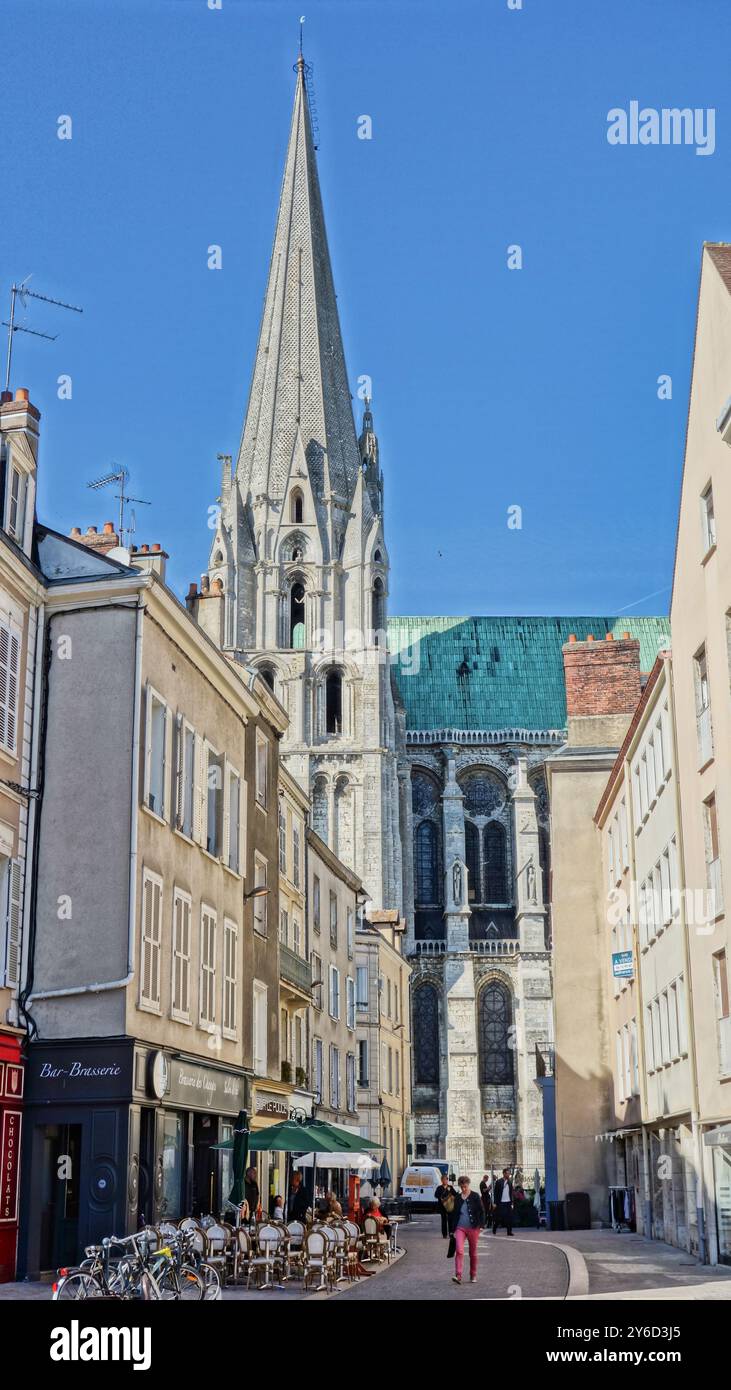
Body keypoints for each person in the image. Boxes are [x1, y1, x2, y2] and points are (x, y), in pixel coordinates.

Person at [448, 1175, 484, 1285]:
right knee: (459, 1250)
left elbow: (481, 1211)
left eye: (465, 1186)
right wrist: (452, 1230)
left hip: (473, 1228)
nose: (463, 1189)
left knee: (473, 1253)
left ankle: (473, 1274)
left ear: (468, 1185)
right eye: (461, 1187)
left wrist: (481, 1225)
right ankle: (458, 1275)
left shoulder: (475, 1196)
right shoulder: (458, 1198)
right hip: (460, 1228)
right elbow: (454, 1214)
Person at [435, 1172, 458, 1239]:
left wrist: (454, 1196)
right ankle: (444, 1234)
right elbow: (436, 1195)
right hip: (442, 1207)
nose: (445, 1181)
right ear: (442, 1180)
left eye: (446, 1179)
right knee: (444, 1220)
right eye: (444, 1180)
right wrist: (442, 1197)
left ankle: (451, 1234)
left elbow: (455, 1194)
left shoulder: (450, 1187)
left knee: (450, 1220)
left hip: (450, 1207)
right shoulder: (439, 1188)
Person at [492, 1168, 514, 1236]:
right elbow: (495, 1193)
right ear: (504, 1173)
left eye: (509, 1173)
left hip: (508, 1202)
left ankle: (509, 1232)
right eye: (507, 1173)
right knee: (499, 1217)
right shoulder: (499, 1182)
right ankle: (495, 1227)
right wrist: (495, 1203)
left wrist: (512, 1203)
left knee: (509, 1217)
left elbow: (511, 1193)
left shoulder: (510, 1182)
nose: (508, 1174)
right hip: (501, 1202)